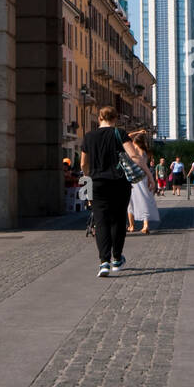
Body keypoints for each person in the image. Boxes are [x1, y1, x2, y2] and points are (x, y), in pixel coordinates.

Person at [80, 105, 133, 278]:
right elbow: (133, 155)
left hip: (96, 182)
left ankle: (104, 262)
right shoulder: (120, 134)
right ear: (115, 118)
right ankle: (117, 259)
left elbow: (83, 164)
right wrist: (147, 174)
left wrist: (88, 177)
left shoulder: (88, 137)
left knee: (101, 221)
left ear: (100, 117)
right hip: (119, 182)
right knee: (118, 219)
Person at [125, 130, 159, 234]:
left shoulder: (133, 150)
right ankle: (145, 225)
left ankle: (131, 226)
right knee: (144, 199)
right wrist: (150, 178)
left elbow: (127, 135)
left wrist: (138, 131)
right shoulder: (145, 152)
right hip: (144, 177)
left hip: (132, 177)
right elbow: (146, 167)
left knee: (130, 201)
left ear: (134, 142)